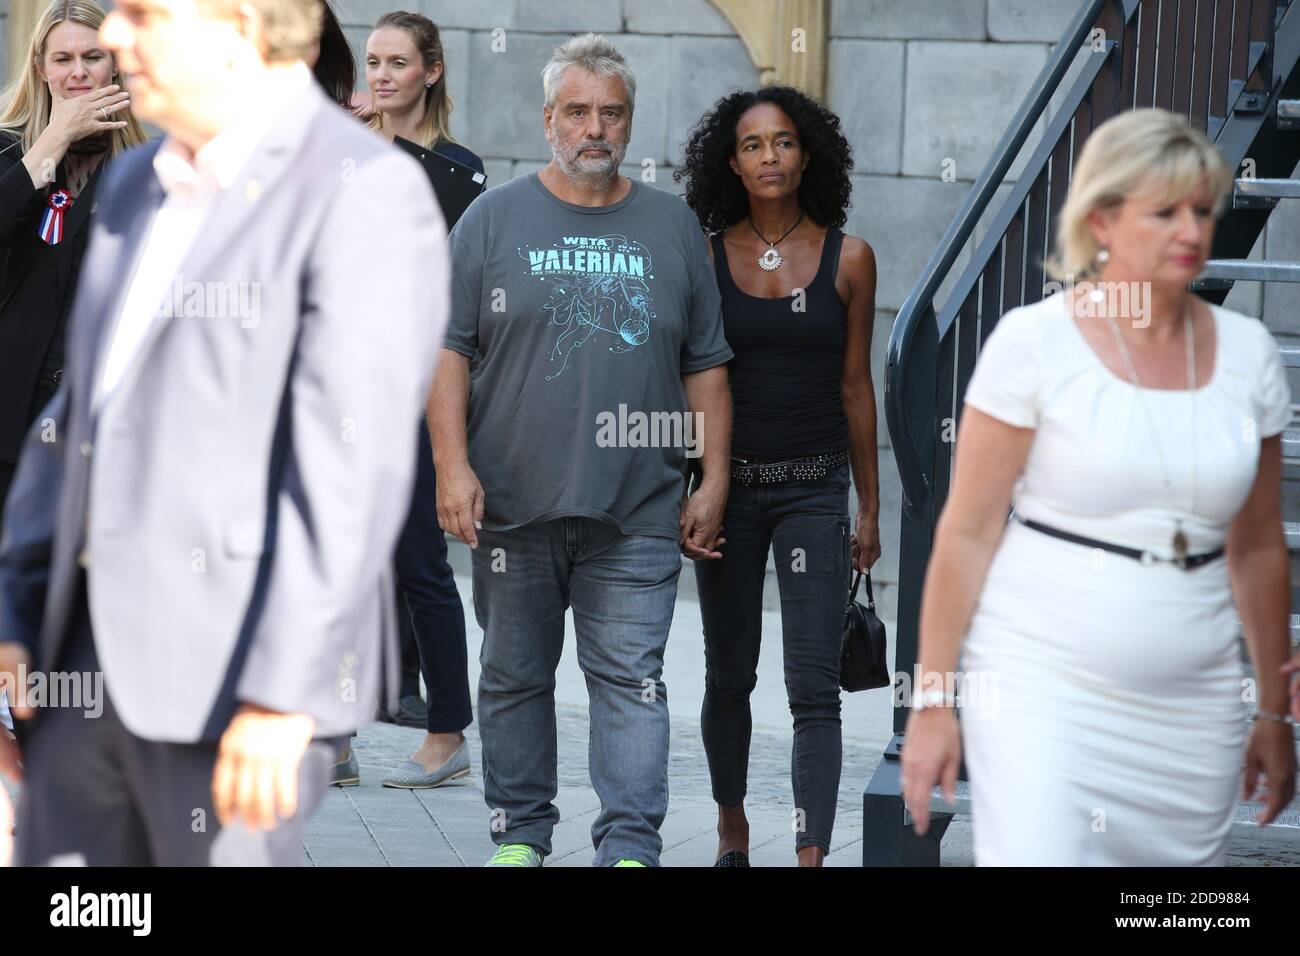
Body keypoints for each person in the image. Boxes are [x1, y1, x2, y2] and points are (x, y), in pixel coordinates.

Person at [0, 0, 447, 866]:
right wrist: (16, 614)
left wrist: (288, 697)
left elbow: (350, 467)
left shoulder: (363, 191)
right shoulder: (136, 186)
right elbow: (82, 414)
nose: (117, 43)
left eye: (141, 16)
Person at [901, 108, 1297, 865]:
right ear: (1104, 220)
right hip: (1040, 688)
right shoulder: (1034, 342)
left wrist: (1273, 717)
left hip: (1195, 706)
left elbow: (1256, 548)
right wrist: (931, 702)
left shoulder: (1248, 356)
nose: (1192, 230)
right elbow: (968, 531)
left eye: (1203, 211)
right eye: (1165, 212)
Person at [430, 33, 733, 866]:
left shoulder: (673, 226)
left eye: (611, 112)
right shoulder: (492, 218)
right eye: (577, 112)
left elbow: (706, 364)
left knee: (632, 682)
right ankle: (521, 837)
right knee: (512, 678)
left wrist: (712, 482)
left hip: (636, 506)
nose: (594, 128)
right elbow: (447, 351)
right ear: (548, 120)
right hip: (513, 499)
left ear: (630, 121)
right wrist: (452, 468)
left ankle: (631, 847)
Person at [675, 86, 879, 867]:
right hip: (730, 489)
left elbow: (857, 386)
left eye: (785, 142)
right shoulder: (701, 253)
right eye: (754, 144)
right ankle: (732, 827)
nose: (770, 156)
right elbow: (687, 372)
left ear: (807, 154)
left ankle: (809, 850)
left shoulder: (847, 257)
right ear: (731, 160)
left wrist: (869, 508)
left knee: (812, 689)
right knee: (729, 674)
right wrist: (692, 486)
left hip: (814, 488)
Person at [327, 9, 480, 790]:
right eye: (373, 62)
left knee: (420, 563)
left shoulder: (457, 170)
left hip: (417, 394)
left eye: (398, 63)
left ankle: (446, 730)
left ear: (432, 71)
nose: (381, 75)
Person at [0, 0, 145, 519]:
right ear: (40, 68)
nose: (79, 72)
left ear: (116, 65)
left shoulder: (143, 166)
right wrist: (55, 137)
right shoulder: (7, 149)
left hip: (90, 415)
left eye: (93, 56)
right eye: (63, 59)